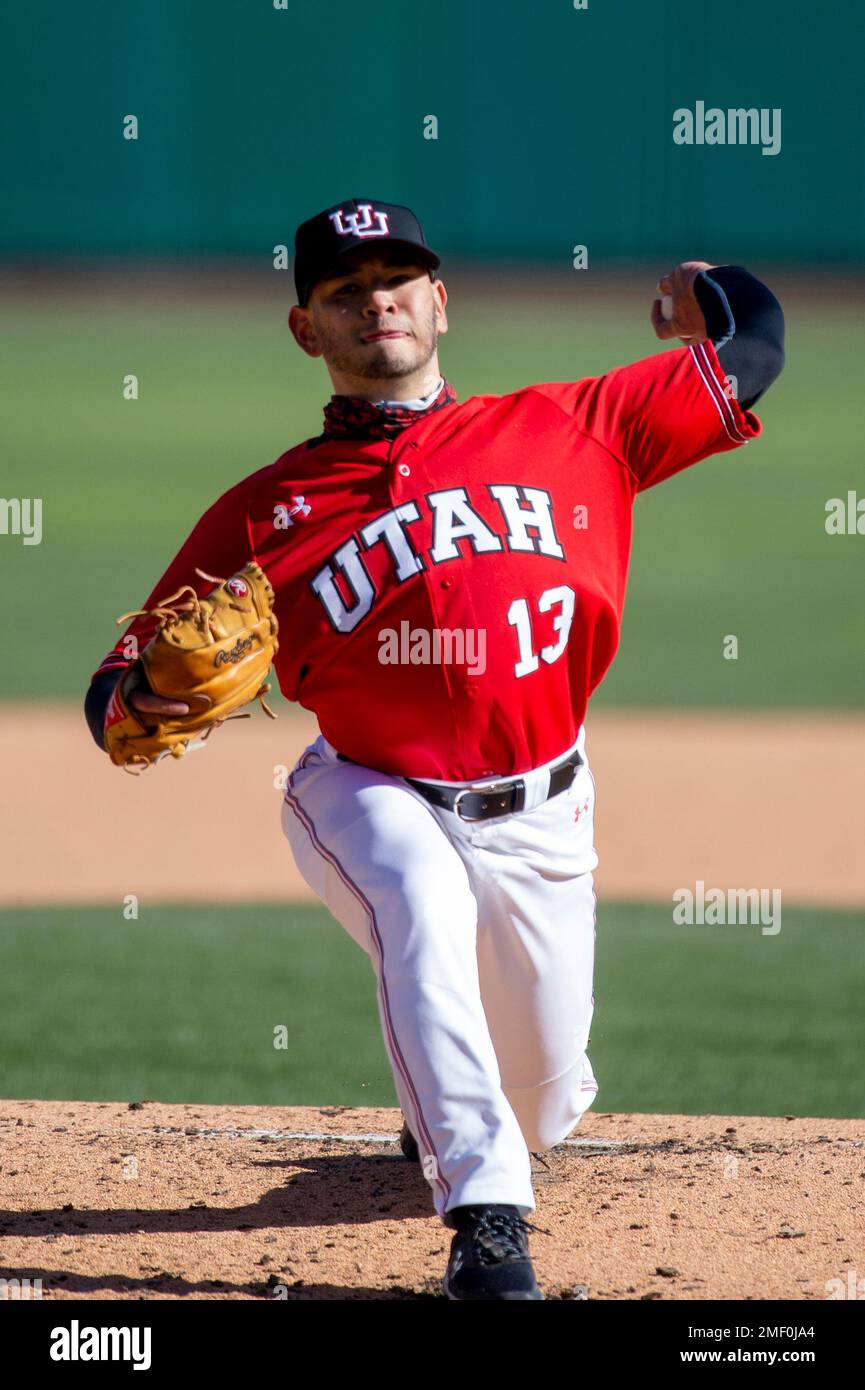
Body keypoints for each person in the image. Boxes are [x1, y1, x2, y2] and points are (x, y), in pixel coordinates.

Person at [86, 197, 785, 1300]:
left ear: (440, 302)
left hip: (543, 812)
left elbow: (752, 350)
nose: (379, 302)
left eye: (399, 278)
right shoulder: (264, 513)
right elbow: (112, 694)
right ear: (305, 328)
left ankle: (459, 1122)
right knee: (416, 894)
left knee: (547, 1099)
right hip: (367, 788)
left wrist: (707, 286)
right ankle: (486, 1227)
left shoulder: (576, 425)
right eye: (345, 291)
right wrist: (141, 700)